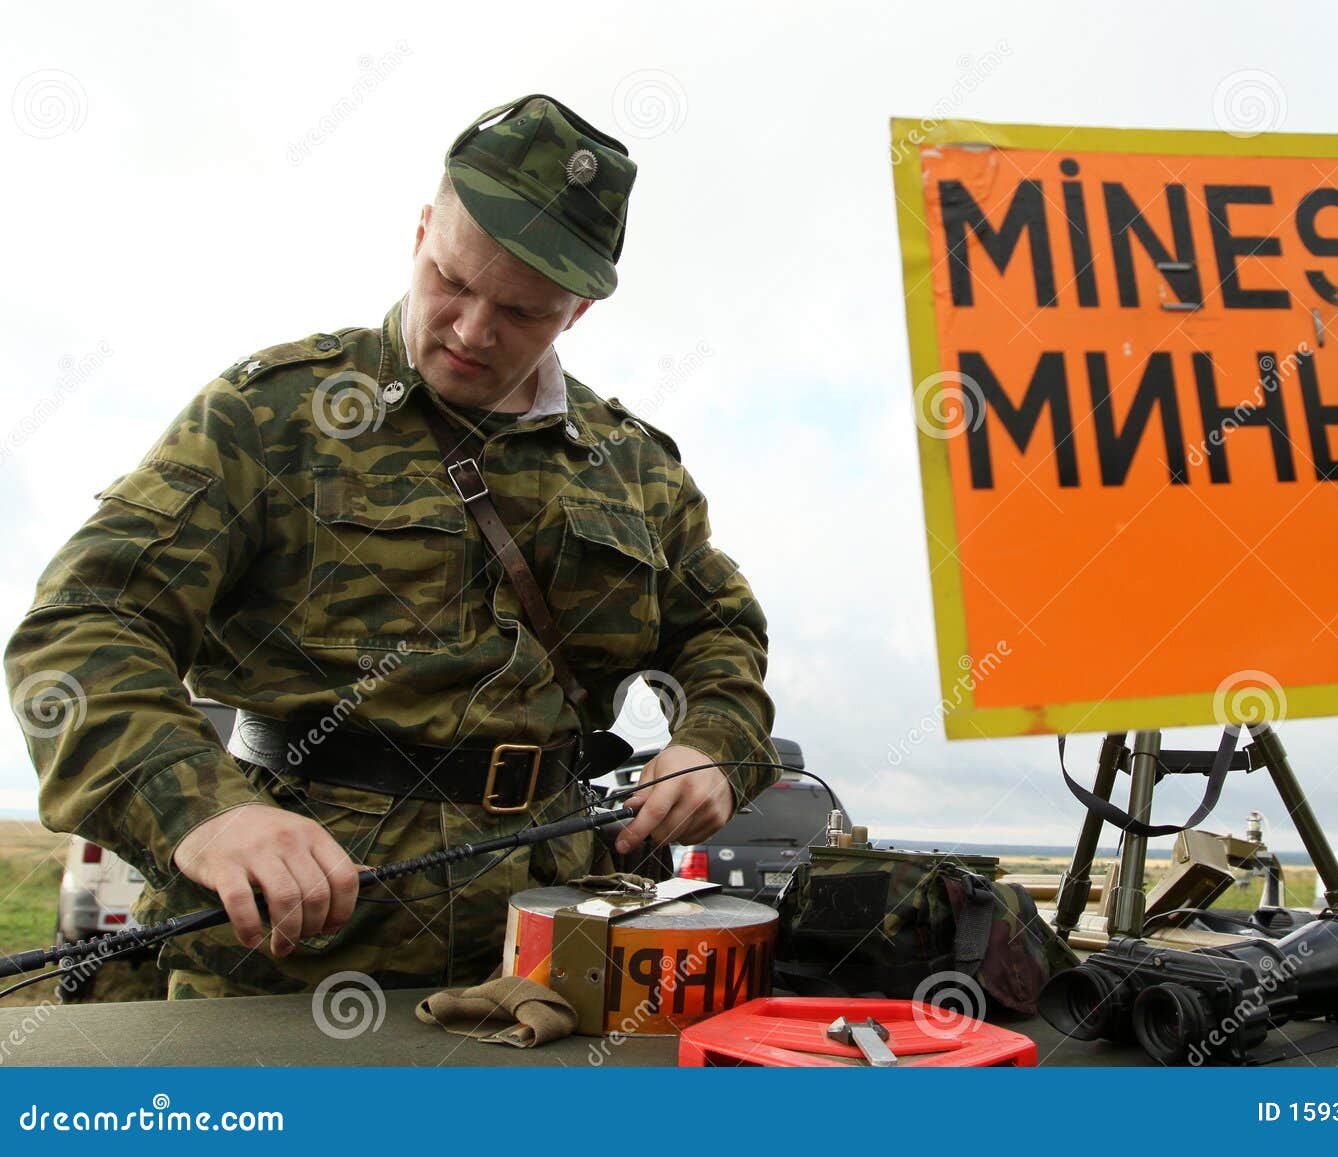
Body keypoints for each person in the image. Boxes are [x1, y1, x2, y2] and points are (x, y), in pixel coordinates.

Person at [4, 93, 779, 999]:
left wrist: (714, 743)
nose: (470, 330)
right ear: (420, 234)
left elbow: (720, 636)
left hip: (555, 962)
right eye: (452, 280)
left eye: (523, 312)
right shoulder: (273, 417)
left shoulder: (634, 468)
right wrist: (210, 814)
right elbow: (81, 629)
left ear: (575, 316)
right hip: (294, 965)